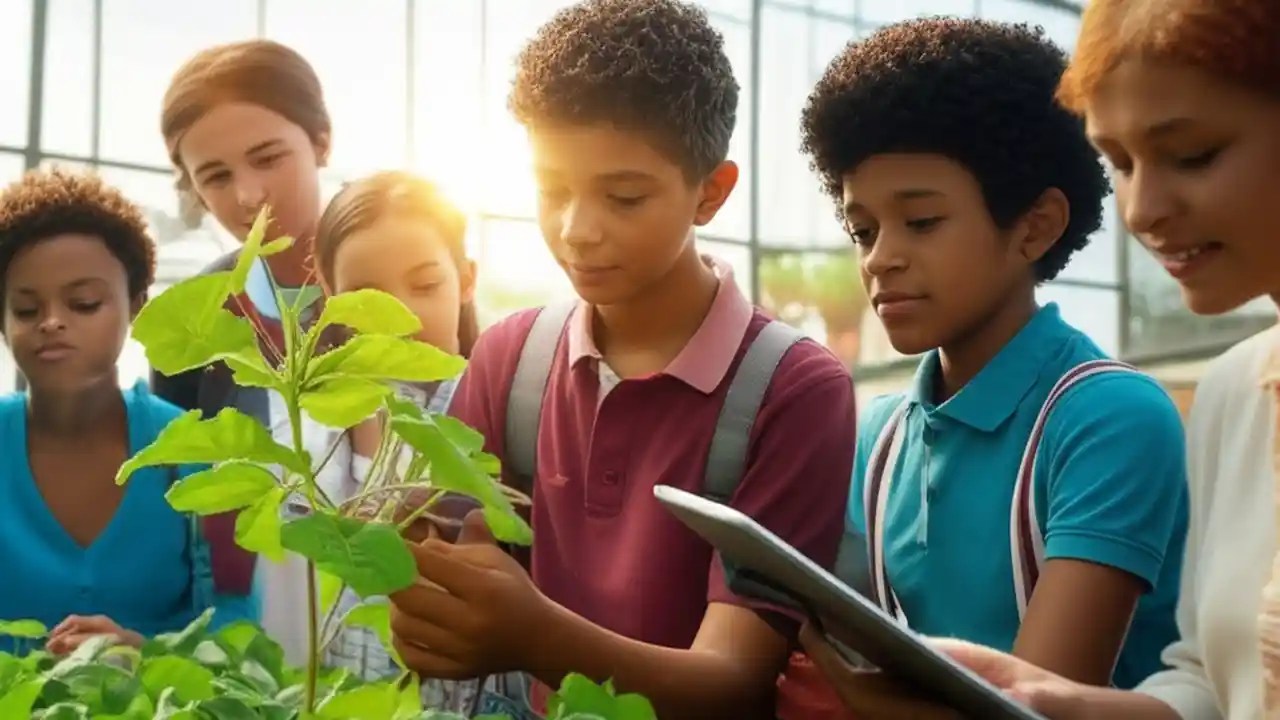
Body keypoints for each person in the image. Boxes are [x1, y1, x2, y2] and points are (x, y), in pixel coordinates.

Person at [384, 1, 857, 718]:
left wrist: (533, 635)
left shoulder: (791, 392)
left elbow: (731, 678)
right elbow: (439, 559)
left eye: (625, 196)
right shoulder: (512, 358)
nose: (578, 229)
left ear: (712, 192)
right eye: (551, 190)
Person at [785, 16, 1190, 718]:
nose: (880, 257)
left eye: (922, 221)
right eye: (863, 229)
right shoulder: (879, 436)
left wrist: (853, 694)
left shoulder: (1109, 418)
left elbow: (1028, 705)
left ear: (1034, 226)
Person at [901, 1, 1280, 718]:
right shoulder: (1234, 394)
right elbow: (1208, 680)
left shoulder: (1107, 409)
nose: (1141, 209)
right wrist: (1059, 704)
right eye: (1120, 163)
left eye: (1192, 154)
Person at [0, 169, 256, 655]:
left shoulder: (199, 452)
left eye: (84, 303)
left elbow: (237, 619)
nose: (52, 322)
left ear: (136, 305)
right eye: (27, 310)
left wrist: (145, 654)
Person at [155, 38, 338, 664]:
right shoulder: (198, 324)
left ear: (321, 141)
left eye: (269, 158)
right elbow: (186, 508)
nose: (250, 195)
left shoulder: (401, 278)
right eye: (216, 176)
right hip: (251, 657)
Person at [311, 170, 494, 714]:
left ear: (466, 280)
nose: (400, 318)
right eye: (368, 297)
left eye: (425, 284)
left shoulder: (501, 417)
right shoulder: (305, 430)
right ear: (330, 297)